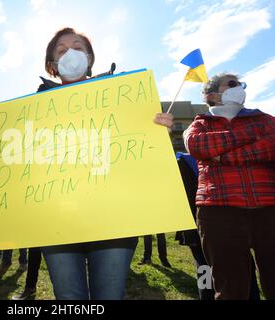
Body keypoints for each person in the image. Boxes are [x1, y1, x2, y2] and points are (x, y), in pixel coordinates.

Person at [37, 27, 174, 300]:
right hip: (58, 220)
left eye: (77, 48)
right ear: (52, 65)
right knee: (68, 298)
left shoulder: (121, 96)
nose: (70, 54)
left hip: (114, 220)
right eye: (62, 51)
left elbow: (139, 150)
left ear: (89, 58)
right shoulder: (33, 106)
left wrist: (157, 131)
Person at [183, 73, 275, 300]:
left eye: (241, 84)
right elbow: (200, 146)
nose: (241, 88)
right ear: (212, 94)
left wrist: (224, 157)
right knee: (230, 288)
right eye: (233, 84)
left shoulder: (264, 118)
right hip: (218, 211)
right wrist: (253, 138)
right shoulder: (199, 124)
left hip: (272, 208)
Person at [175, 152, 260, 300]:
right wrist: (189, 233)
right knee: (205, 270)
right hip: (199, 229)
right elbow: (184, 200)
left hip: (231, 224)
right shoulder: (183, 163)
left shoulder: (229, 156)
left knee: (243, 267)